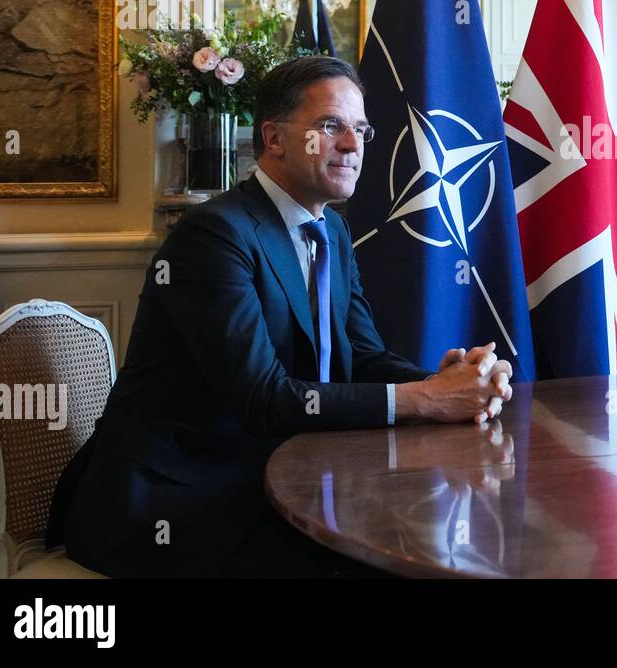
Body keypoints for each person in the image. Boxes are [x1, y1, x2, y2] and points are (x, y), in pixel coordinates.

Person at [46, 56, 515, 577]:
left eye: (361, 129)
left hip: (275, 477)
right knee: (363, 563)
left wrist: (448, 381)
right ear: (273, 138)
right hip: (173, 496)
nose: (353, 145)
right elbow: (261, 398)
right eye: (331, 126)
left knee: (421, 538)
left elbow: (359, 355)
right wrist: (425, 400)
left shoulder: (331, 231)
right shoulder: (215, 236)